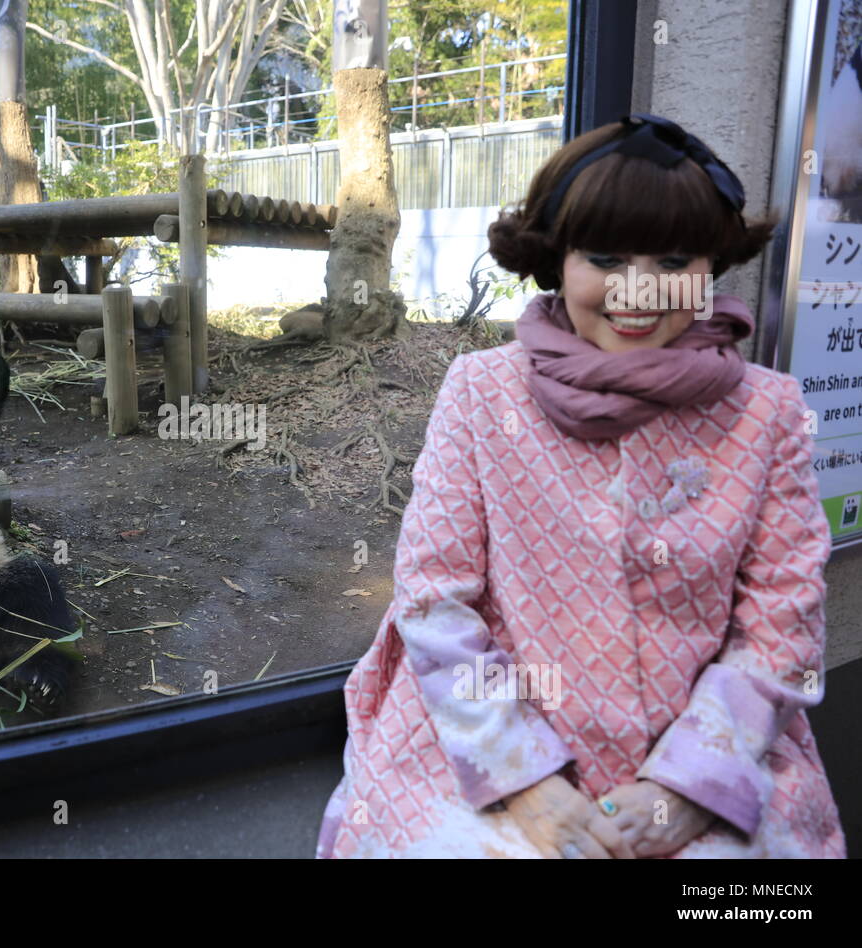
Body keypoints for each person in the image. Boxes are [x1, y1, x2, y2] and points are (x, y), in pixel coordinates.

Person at [315, 113, 846, 858]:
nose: (641, 290)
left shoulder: (767, 410)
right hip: (488, 736)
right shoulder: (482, 391)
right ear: (557, 257)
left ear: (711, 265)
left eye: (674, 259)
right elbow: (435, 597)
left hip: (709, 737)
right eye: (604, 255)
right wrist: (526, 783)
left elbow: (782, 619)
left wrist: (687, 789)